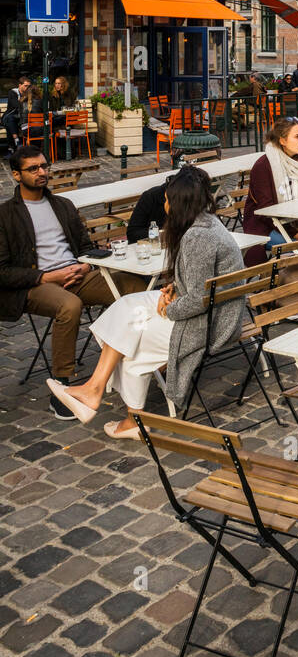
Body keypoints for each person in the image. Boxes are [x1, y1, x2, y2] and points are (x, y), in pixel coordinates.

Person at [48, 167, 246, 439]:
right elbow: (202, 282)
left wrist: (172, 305)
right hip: (215, 313)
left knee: (132, 343)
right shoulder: (206, 223)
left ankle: (113, 405)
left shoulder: (197, 236)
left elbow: (198, 301)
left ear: (177, 202)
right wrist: (175, 287)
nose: (163, 203)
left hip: (209, 324)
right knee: (127, 306)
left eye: (166, 198)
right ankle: (101, 395)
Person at [0, 145, 143, 419]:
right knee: (70, 306)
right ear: (16, 175)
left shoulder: (62, 205)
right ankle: (63, 387)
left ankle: (136, 361)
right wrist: (47, 276)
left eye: (44, 166)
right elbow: (2, 271)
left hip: (78, 275)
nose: (42, 172)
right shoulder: (5, 215)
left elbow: (87, 246)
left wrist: (85, 265)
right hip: (36, 284)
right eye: (33, 169)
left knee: (135, 285)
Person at [243, 117, 298, 265]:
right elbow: (266, 211)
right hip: (263, 226)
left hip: (293, 222)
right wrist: (294, 233)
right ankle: (283, 284)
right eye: (297, 136)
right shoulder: (264, 166)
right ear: (282, 141)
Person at [2, 75, 32, 152]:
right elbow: (16, 105)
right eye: (25, 86)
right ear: (20, 85)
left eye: (29, 86)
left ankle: (12, 147)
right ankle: (17, 142)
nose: (27, 88)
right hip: (10, 115)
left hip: (21, 117)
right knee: (10, 119)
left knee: (11, 123)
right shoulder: (12, 92)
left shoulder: (29, 93)